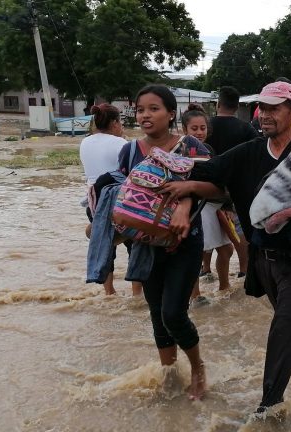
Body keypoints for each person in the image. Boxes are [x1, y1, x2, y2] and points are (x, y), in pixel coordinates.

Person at [158, 81, 291, 413]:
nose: (265, 115)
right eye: (263, 108)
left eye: (274, 108)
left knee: (283, 325)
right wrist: (171, 176)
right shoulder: (247, 154)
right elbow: (204, 170)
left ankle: (269, 407)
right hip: (262, 259)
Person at [119, 84, 211, 401]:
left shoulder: (191, 146)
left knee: (174, 313)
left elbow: (218, 188)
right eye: (141, 109)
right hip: (143, 246)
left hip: (184, 243)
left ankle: (197, 368)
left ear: (171, 113)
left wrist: (185, 203)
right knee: (157, 314)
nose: (145, 115)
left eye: (154, 108)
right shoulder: (129, 151)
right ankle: (169, 374)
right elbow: (121, 196)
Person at [79, 103, 142, 297]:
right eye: (120, 121)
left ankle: (109, 292)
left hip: (94, 202)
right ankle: (137, 294)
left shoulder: (85, 142)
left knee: (104, 243)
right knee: (135, 245)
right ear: (115, 122)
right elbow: (132, 174)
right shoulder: (122, 144)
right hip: (120, 202)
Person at [181, 104, 234, 303]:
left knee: (226, 249)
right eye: (194, 128)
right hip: (196, 207)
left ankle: (224, 286)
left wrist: (228, 205)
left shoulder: (209, 149)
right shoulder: (180, 149)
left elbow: (219, 179)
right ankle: (195, 295)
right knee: (197, 251)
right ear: (184, 129)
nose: (199, 132)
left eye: (202, 128)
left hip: (214, 205)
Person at [205, 86, 257, 278]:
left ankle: (205, 269)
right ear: (236, 107)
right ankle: (244, 270)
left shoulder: (205, 126)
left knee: (205, 229)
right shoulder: (246, 128)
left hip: (207, 188)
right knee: (239, 229)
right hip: (237, 188)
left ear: (218, 104)